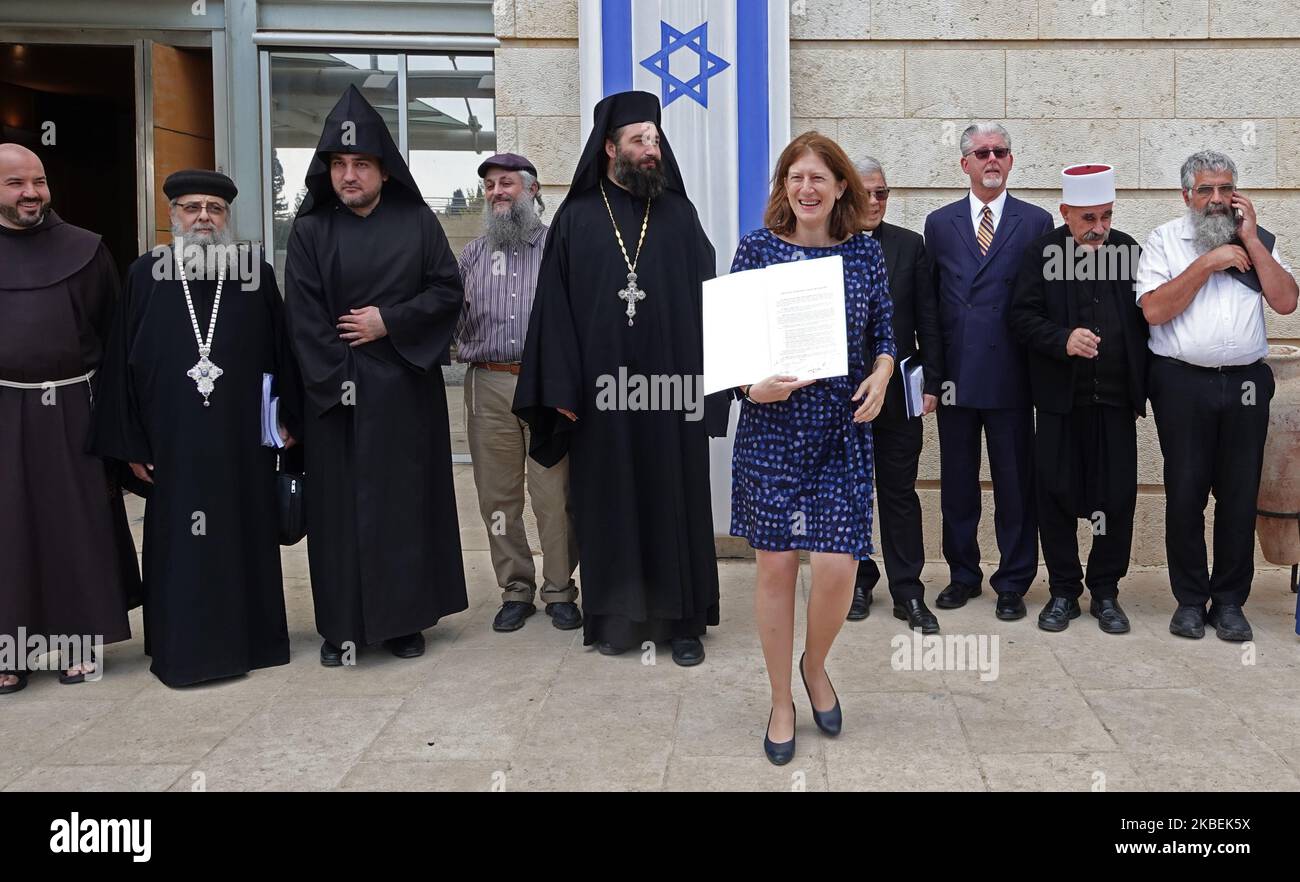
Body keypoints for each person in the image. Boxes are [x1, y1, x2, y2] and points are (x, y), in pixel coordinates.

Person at [512, 90, 727, 666]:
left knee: (673, 501)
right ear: (610, 148)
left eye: (656, 139)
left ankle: (682, 622)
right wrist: (560, 394)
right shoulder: (578, 218)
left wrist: (711, 387)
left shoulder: (680, 216)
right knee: (609, 503)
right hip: (601, 401)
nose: (652, 149)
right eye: (639, 139)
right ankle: (615, 618)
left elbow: (710, 303)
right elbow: (552, 310)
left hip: (672, 396)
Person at [90, 168, 301, 687]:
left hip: (240, 443)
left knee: (243, 533)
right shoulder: (144, 274)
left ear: (227, 218)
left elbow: (283, 353)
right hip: (173, 443)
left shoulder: (255, 273)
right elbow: (119, 366)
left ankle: (254, 641)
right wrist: (132, 440)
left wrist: (287, 419)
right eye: (192, 207)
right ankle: (180, 645)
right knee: (181, 544)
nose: (203, 217)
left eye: (215, 208)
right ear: (172, 216)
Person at [284, 85, 468, 665]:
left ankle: (405, 622)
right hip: (337, 404)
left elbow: (447, 292)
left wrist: (388, 320)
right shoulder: (310, 231)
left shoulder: (418, 222)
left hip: (407, 394)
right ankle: (342, 627)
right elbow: (305, 320)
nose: (349, 175)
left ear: (383, 171)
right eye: (339, 165)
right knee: (339, 519)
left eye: (361, 164)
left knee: (404, 509)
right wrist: (343, 383)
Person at [730, 132, 896, 764]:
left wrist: (882, 373)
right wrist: (751, 386)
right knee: (775, 567)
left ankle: (815, 662)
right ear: (783, 186)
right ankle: (780, 700)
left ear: (840, 188)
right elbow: (733, 339)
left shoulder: (863, 254)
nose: (806, 189)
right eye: (795, 177)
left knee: (838, 568)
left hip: (841, 428)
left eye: (818, 179)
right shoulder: (757, 250)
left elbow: (885, 327)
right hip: (773, 429)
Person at [1136, 150, 1298, 642]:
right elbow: (1155, 311)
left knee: (1238, 494)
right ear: (1187, 195)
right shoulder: (1165, 240)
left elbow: (1287, 301)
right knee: (1185, 492)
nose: (1217, 199)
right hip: (1182, 382)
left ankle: (1229, 601)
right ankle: (1189, 600)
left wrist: (1249, 240)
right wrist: (1208, 263)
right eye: (1206, 190)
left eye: (1225, 189)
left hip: (1247, 382)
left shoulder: (1257, 240)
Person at [0, 143, 138, 694]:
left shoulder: (86, 250)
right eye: (15, 183)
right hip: (3, 408)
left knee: (75, 524)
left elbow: (114, 337)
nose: (31, 192)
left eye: (38, 180)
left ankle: (80, 641)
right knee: (8, 529)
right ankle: (10, 647)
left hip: (73, 408)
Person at [1009, 163, 1148, 634]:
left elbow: (1146, 315)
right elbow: (1021, 317)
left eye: (1106, 216)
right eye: (1089, 218)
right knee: (1055, 496)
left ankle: (1105, 591)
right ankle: (1064, 590)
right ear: (1065, 213)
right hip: (1058, 403)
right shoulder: (1041, 252)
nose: (1099, 228)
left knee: (1116, 499)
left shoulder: (1127, 249)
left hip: (1114, 403)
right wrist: (1062, 339)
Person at [923, 122, 1053, 621]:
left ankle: (1014, 580)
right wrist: (933, 379)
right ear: (965, 164)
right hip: (956, 375)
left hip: (1012, 376)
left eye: (1000, 151)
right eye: (982, 153)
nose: (992, 159)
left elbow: (1041, 303)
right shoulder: (940, 223)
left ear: (1011, 160)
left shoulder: (1035, 221)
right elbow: (932, 308)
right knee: (958, 482)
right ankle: (962, 575)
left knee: (1015, 483)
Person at [456, 153, 581, 633]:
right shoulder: (469, 256)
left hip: (546, 384)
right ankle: (515, 589)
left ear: (532, 191)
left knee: (554, 493)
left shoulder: (559, 250)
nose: (496, 192)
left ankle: (559, 590)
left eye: (506, 183)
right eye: (489, 186)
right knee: (497, 497)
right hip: (487, 383)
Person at [849, 156, 942, 634]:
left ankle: (908, 590)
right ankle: (859, 581)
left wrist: (932, 383)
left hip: (898, 391)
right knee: (851, 492)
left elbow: (929, 318)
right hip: (841, 396)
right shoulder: (827, 243)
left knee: (899, 492)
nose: (874, 201)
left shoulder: (910, 246)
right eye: (865, 191)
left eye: (882, 193)